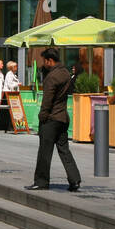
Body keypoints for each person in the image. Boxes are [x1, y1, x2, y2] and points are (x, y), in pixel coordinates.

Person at [28, 48, 81, 192]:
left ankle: (41, 181)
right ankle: (74, 179)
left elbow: (47, 100)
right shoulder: (65, 73)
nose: (44, 64)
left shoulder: (52, 77)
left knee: (45, 152)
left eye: (45, 61)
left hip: (51, 118)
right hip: (63, 117)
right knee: (64, 150)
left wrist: (42, 116)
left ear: (50, 61)